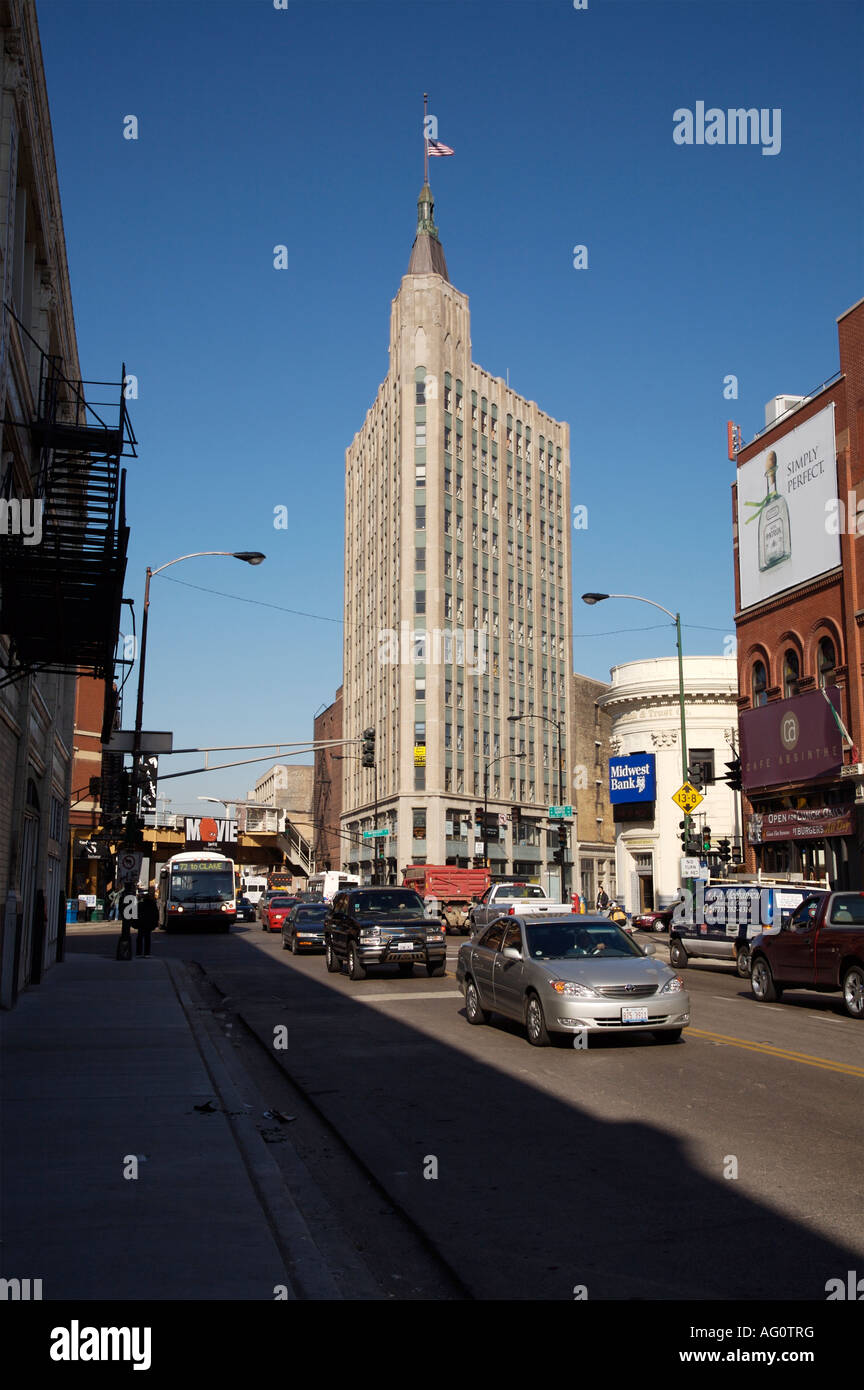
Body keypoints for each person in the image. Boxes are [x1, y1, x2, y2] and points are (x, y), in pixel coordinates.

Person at [136, 887, 159, 957]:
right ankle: (147, 953)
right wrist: (155, 924)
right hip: (149, 924)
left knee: (139, 938)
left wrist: (135, 923)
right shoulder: (153, 905)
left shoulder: (140, 905)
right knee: (147, 938)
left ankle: (139, 953)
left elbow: (136, 914)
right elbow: (156, 915)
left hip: (141, 924)